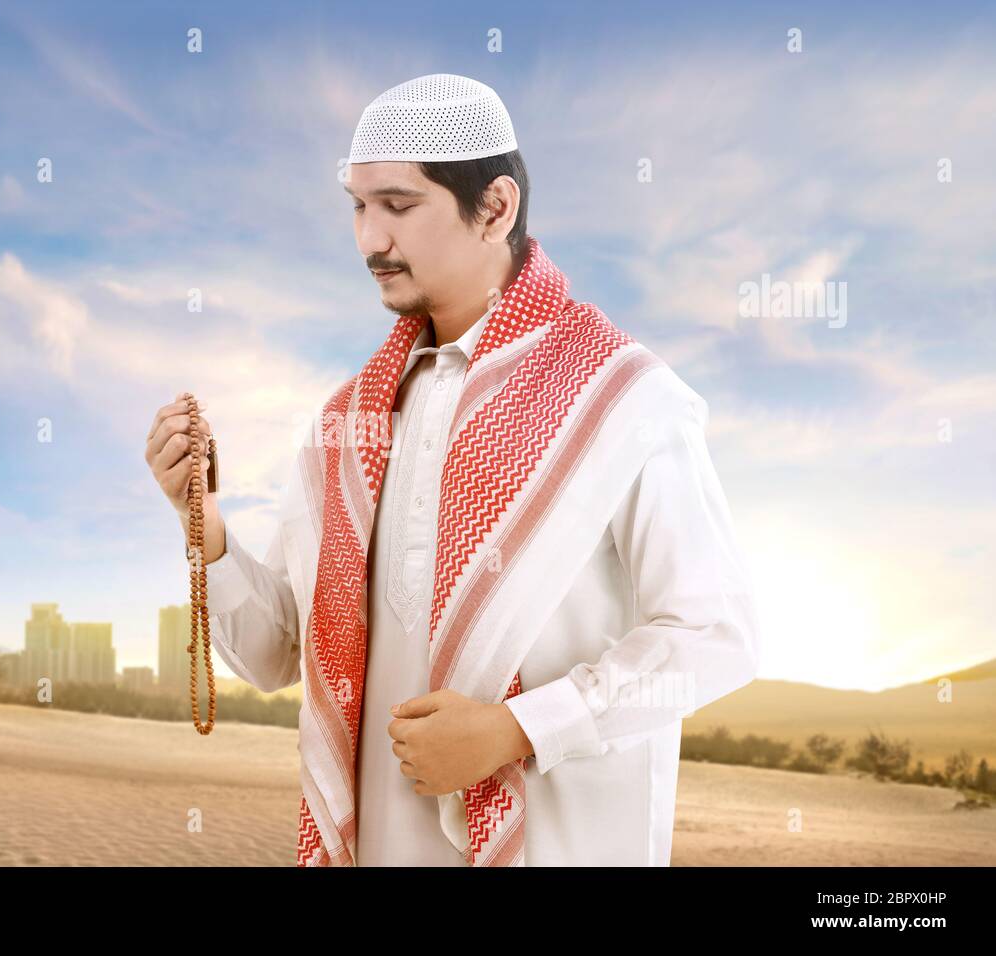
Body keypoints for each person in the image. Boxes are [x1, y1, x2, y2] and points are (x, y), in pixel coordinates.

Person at [146, 73, 760, 866]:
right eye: (359, 207)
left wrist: (517, 730)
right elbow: (276, 653)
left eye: (399, 206)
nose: (370, 240)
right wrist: (203, 518)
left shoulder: (623, 400)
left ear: (495, 208)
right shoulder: (346, 422)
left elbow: (717, 635)